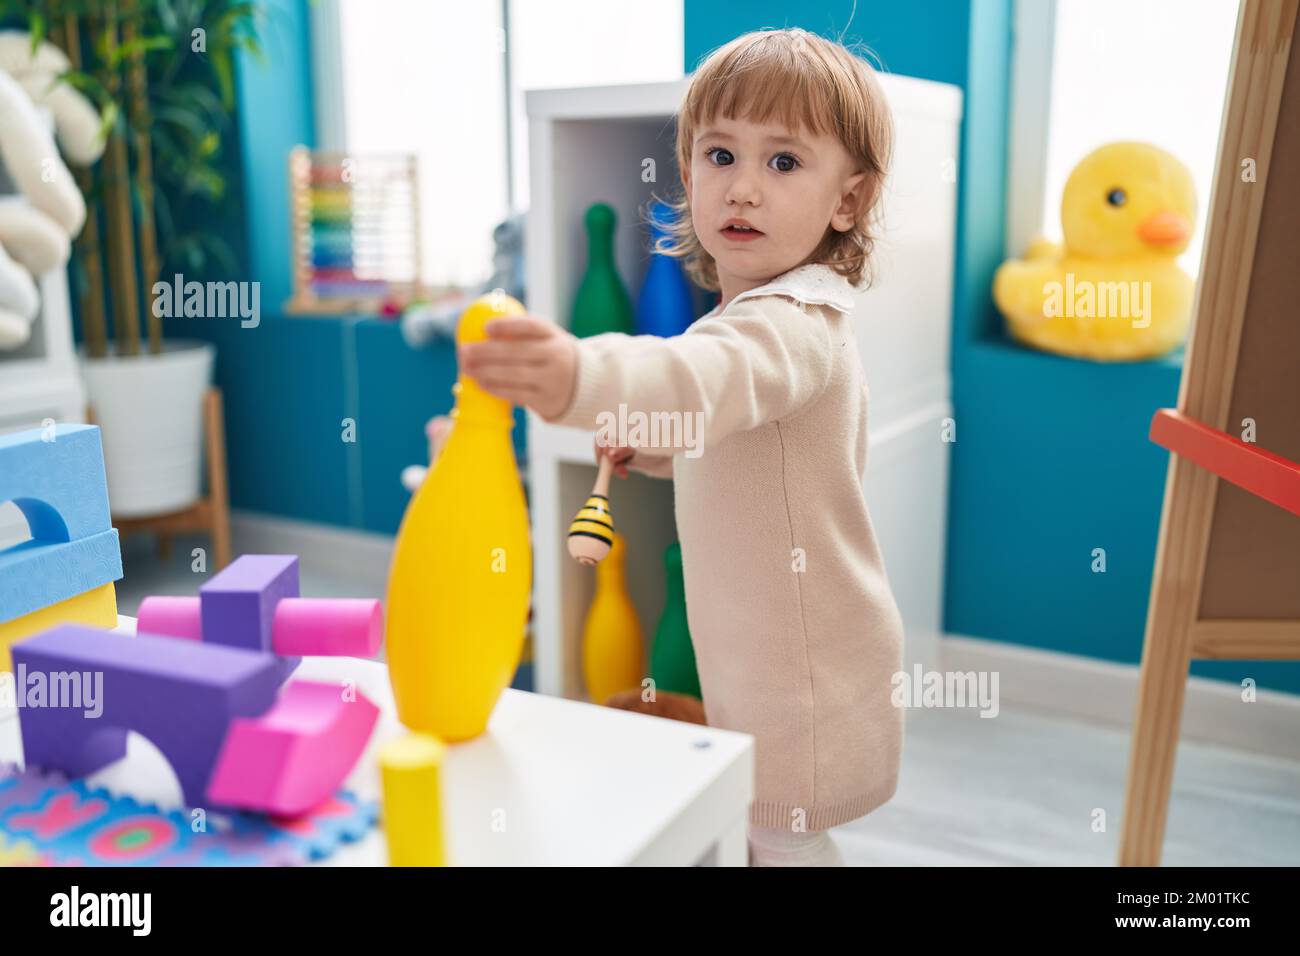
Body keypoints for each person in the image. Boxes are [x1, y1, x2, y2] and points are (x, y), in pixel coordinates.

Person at [459, 27, 903, 867]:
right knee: (764, 827)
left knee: (781, 831)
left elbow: (699, 380)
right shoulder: (755, 315)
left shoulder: (791, 324)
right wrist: (656, 444)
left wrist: (577, 376)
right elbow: (729, 434)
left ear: (848, 200)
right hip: (765, 653)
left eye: (783, 163)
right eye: (720, 154)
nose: (742, 188)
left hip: (801, 672)